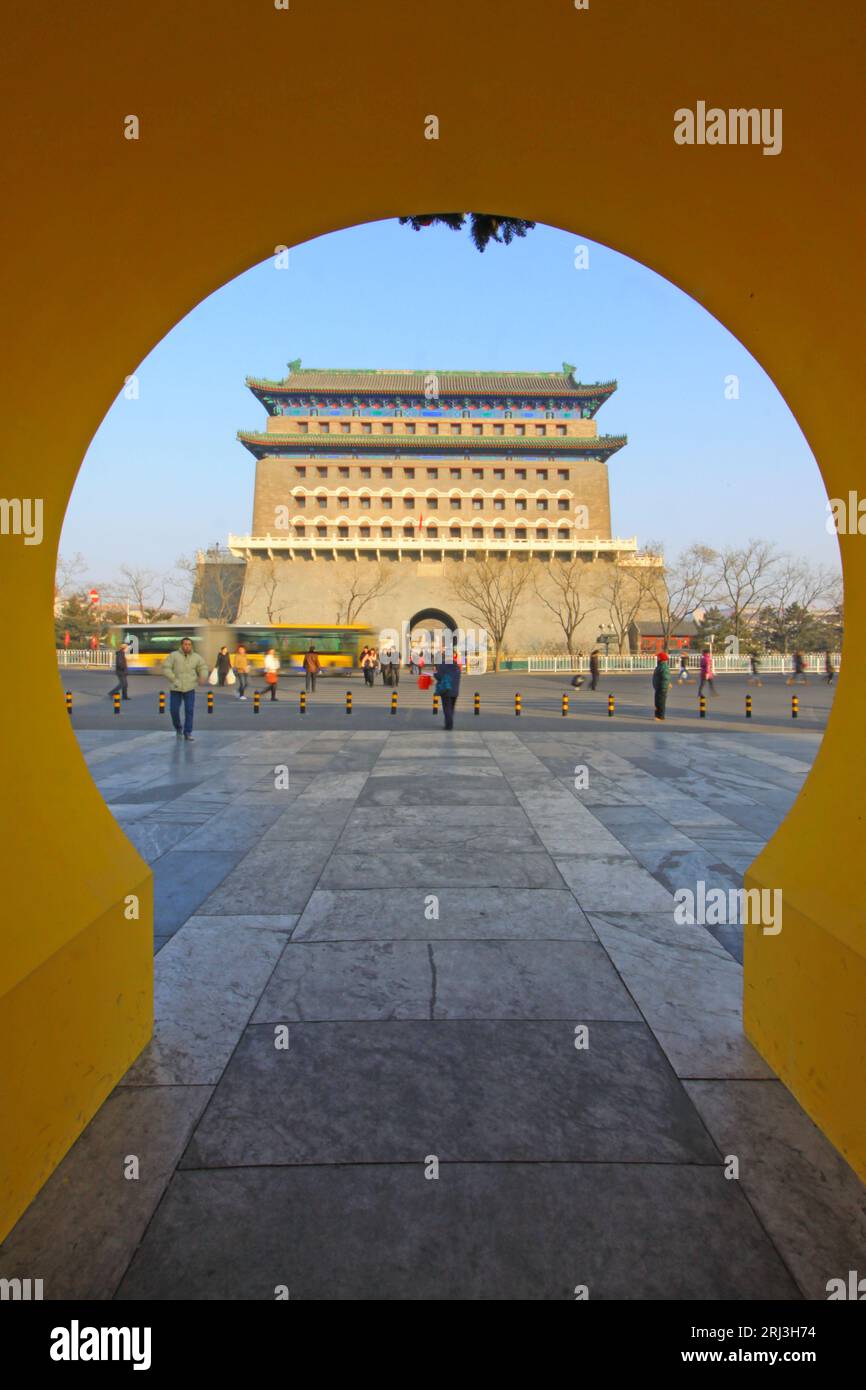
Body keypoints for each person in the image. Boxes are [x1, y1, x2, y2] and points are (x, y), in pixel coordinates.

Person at [163, 636, 209, 740]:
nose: (187, 646)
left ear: (191, 646)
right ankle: (178, 727)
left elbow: (203, 667)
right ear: (181, 645)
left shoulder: (196, 657)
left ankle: (187, 732)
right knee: (173, 710)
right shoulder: (173, 655)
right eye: (185, 644)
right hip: (176, 688)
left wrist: (203, 676)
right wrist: (174, 679)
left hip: (190, 688)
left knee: (189, 710)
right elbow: (166, 668)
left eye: (189, 644)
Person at [434, 636, 462, 731]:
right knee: (452, 708)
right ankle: (449, 723)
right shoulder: (457, 666)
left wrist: (435, 674)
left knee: (446, 708)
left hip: (446, 690)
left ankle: (448, 725)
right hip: (455, 691)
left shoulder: (442, 665)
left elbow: (439, 676)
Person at [652, 651, 671, 721]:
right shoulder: (660, 665)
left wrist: (664, 686)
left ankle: (660, 716)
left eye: (658, 657)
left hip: (661, 687)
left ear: (661, 658)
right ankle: (657, 715)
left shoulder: (663, 666)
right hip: (658, 687)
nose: (657, 658)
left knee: (660, 702)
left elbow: (666, 677)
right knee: (657, 702)